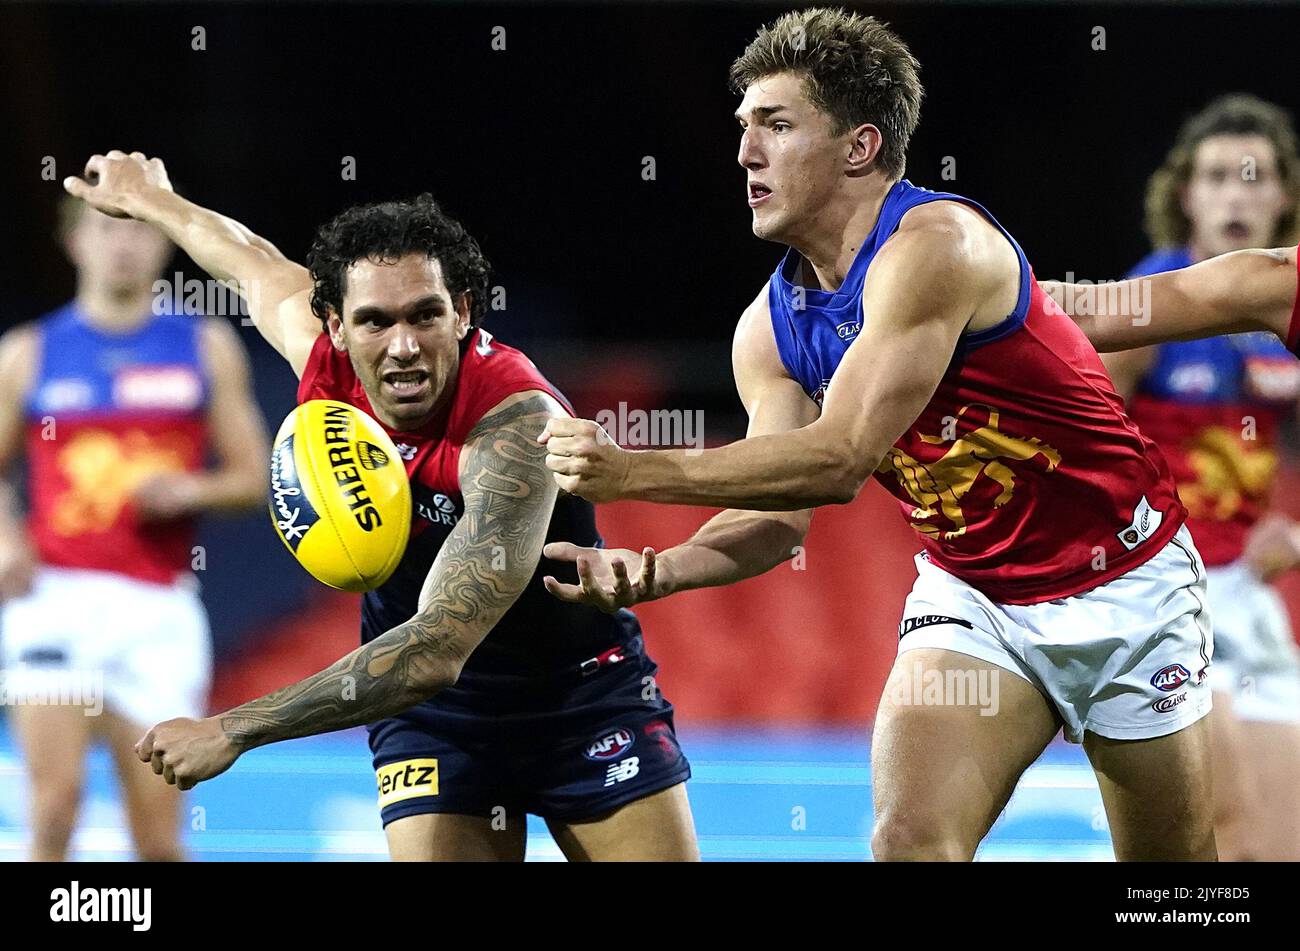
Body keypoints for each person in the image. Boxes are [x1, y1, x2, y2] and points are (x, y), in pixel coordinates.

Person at [538, 8, 1216, 861]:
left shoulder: (938, 247)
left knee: (1175, 883)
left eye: (777, 126)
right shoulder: (768, 329)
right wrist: (648, 571)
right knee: (907, 841)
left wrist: (630, 473)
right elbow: (779, 519)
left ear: (860, 147)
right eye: (744, 127)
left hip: (1127, 585)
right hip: (977, 598)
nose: (746, 152)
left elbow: (839, 459)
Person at [63, 151, 699, 861]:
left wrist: (234, 728)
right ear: (332, 324)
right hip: (435, 722)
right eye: (374, 322)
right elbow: (247, 260)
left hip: (578, 696)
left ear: (461, 312)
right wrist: (157, 202)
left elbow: (436, 648)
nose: (402, 346)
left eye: (425, 315)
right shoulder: (321, 358)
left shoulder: (515, 426)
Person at [0, 195, 268, 860]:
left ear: (165, 245)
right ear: (74, 242)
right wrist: (6, 537)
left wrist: (191, 488)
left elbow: (257, 477)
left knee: (157, 838)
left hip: (155, 612)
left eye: (140, 231)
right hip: (53, 602)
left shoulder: (204, 345)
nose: (123, 245)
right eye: (105, 228)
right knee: (54, 809)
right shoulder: (30, 351)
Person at [1094, 95, 1300, 860]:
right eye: (1218, 177)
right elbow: (1083, 439)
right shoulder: (1149, 300)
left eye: (1256, 177)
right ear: (1187, 196)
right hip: (1165, 596)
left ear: (1283, 197)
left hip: (1249, 598)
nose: (1237, 194)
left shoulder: (1287, 301)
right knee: (1221, 838)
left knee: (1281, 848)